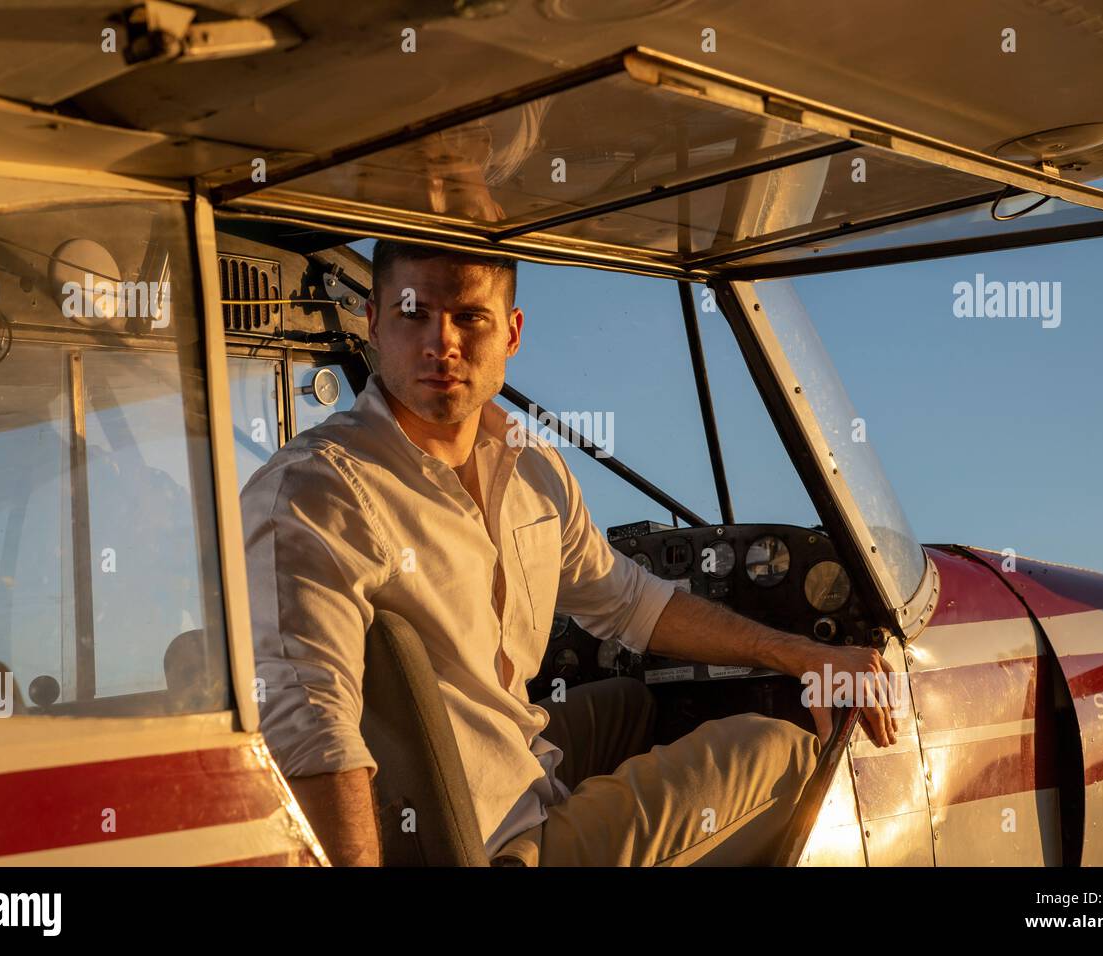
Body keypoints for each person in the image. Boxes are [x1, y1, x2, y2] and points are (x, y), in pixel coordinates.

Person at [239, 239, 897, 866]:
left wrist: (803, 653)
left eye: (469, 316)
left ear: (512, 334)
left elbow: (629, 603)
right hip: (486, 838)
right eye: (415, 314)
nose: (441, 342)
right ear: (376, 324)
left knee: (633, 703)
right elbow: (314, 737)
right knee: (781, 750)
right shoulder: (316, 490)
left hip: (507, 756)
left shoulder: (530, 466)